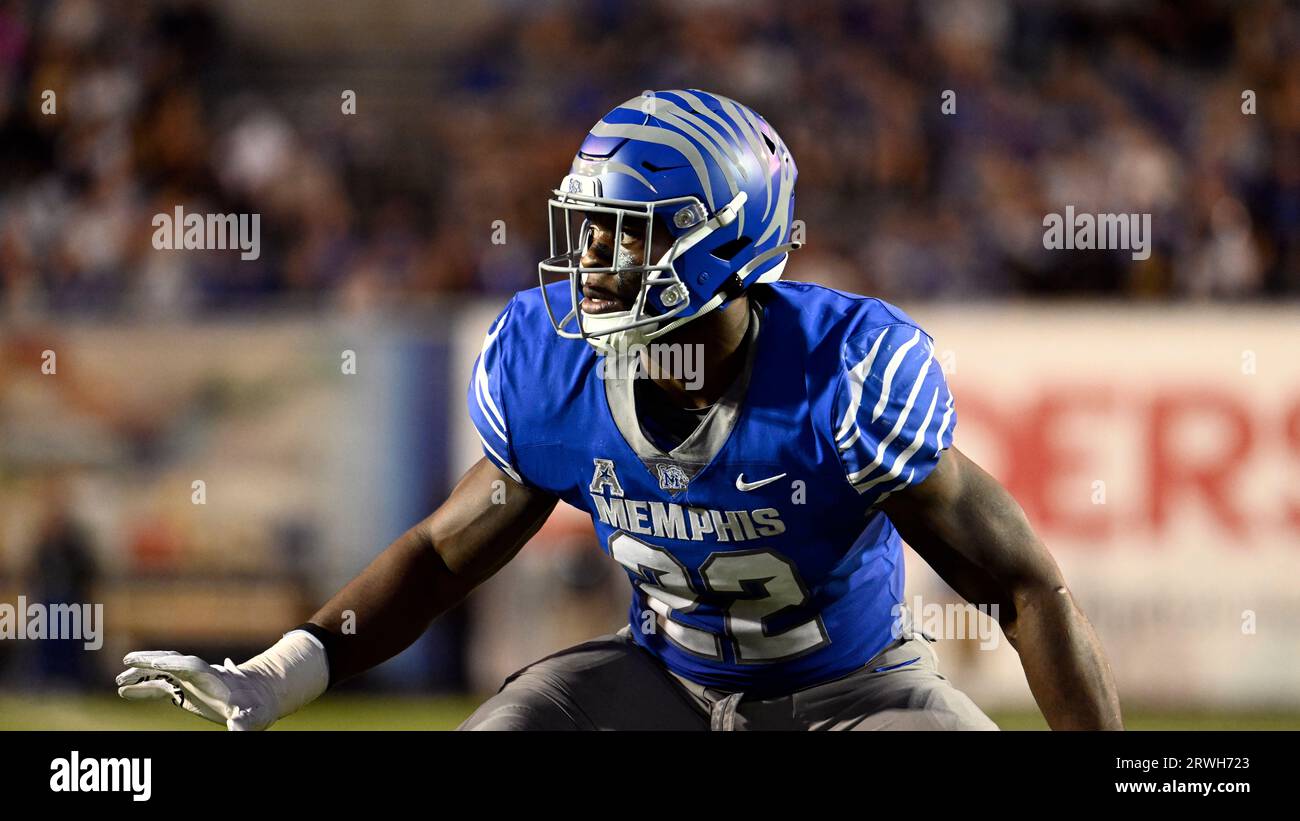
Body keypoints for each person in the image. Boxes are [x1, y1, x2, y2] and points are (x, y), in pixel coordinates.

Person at [116, 90, 1121, 731]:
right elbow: (439, 553)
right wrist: (286, 670)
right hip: (666, 685)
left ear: (725, 247)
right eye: (587, 229)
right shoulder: (551, 363)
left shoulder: (843, 374)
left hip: (855, 695)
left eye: (626, 234)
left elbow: (1025, 587)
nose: (590, 262)